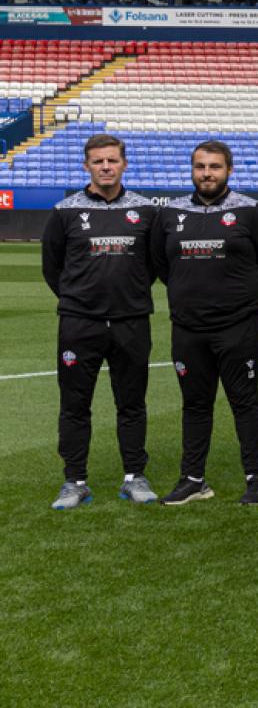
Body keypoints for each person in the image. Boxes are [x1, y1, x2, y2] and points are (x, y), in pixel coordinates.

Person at [156, 140, 258, 506]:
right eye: (200, 167)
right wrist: (185, 293)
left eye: (214, 167)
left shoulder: (250, 212)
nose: (206, 173)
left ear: (229, 169)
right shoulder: (170, 214)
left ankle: (256, 477)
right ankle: (193, 478)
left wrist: (252, 302)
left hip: (237, 326)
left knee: (244, 402)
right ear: (192, 170)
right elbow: (161, 264)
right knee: (195, 405)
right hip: (187, 327)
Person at [44, 133, 160, 509]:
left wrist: (129, 294)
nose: (106, 166)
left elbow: (156, 263)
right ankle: (74, 481)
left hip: (131, 321)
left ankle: (134, 477)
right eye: (98, 161)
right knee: (75, 405)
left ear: (124, 164)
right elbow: (52, 267)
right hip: (80, 323)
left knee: (131, 403)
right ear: (87, 166)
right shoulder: (65, 211)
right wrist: (79, 300)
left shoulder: (146, 210)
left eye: (112, 160)